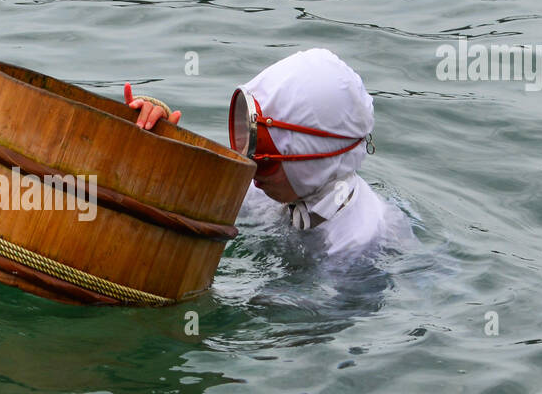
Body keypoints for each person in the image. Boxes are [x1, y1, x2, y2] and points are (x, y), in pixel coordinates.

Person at [124, 48, 411, 259]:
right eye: (250, 143)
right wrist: (154, 144)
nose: (252, 167)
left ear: (311, 157)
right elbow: (186, 193)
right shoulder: (270, 190)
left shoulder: (358, 245)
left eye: (267, 155)